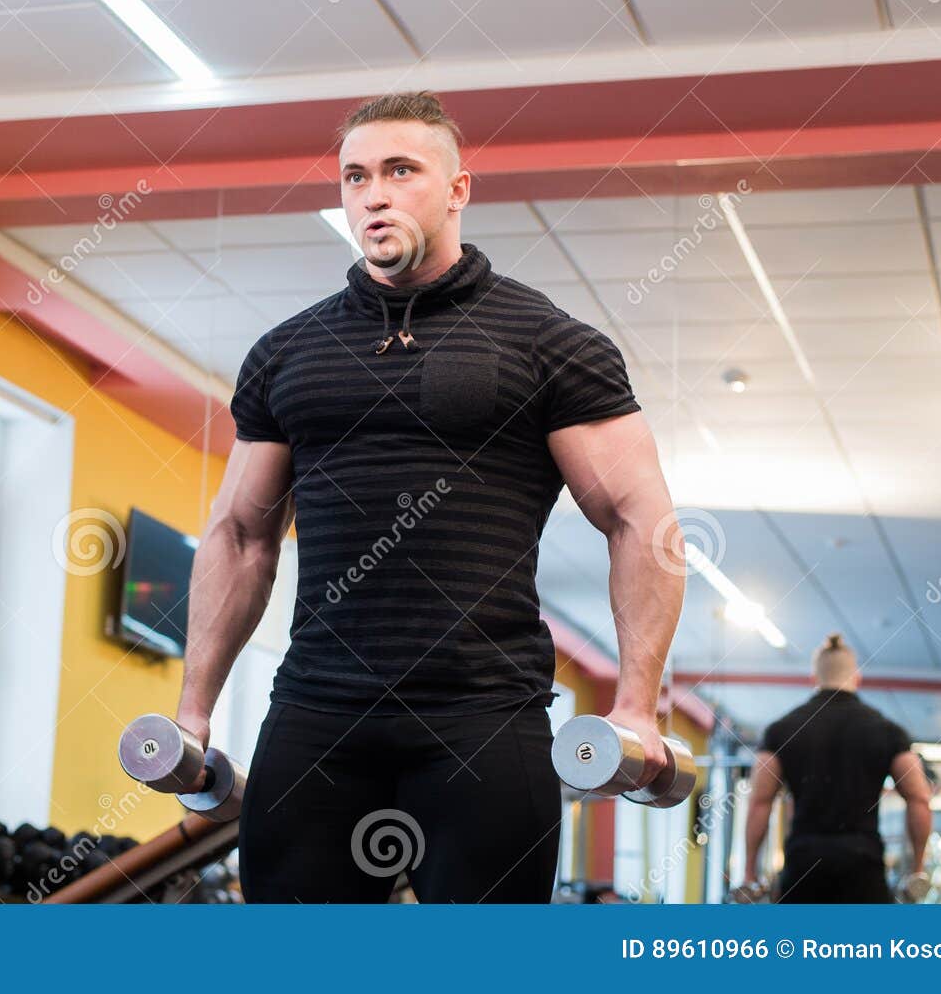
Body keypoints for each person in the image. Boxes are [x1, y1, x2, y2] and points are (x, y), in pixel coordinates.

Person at [174, 91, 684, 903]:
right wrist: (194, 712)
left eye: (400, 170)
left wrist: (636, 704)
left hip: (481, 721)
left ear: (458, 189)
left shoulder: (548, 343)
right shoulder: (288, 353)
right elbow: (241, 535)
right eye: (354, 176)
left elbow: (641, 522)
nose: (373, 193)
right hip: (317, 712)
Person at [742, 633, 933, 903]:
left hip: (803, 866)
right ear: (856, 678)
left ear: (814, 679)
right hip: (863, 866)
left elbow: (759, 802)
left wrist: (749, 872)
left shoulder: (780, 730)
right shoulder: (888, 732)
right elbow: (919, 798)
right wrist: (918, 870)